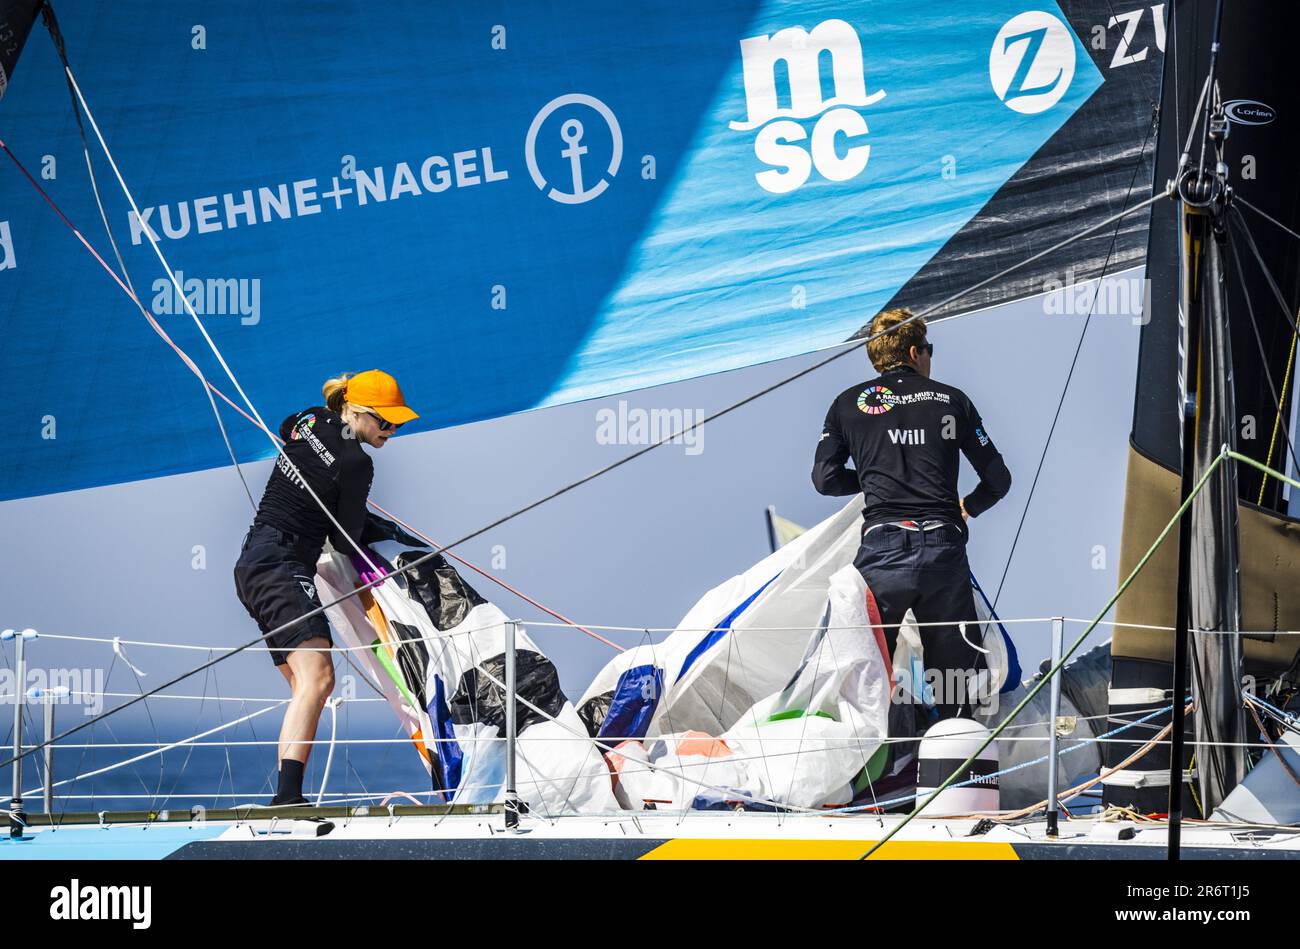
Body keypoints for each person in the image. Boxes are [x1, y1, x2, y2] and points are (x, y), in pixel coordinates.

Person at [812, 309, 1010, 720]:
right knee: (956, 685)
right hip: (942, 548)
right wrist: (967, 507)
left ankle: (875, 764)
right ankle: (957, 759)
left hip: (882, 550)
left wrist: (872, 477)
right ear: (916, 351)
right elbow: (999, 480)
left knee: (864, 672)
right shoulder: (951, 400)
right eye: (929, 350)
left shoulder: (848, 404)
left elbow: (826, 480)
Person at [234, 369, 418, 805]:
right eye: (387, 421)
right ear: (357, 411)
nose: (393, 430)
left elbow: (287, 427)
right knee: (318, 678)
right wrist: (387, 529)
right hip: (282, 566)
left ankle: (287, 796)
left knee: (306, 684)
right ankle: (287, 801)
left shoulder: (313, 419)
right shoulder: (358, 463)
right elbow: (345, 538)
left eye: (398, 423)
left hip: (252, 564)